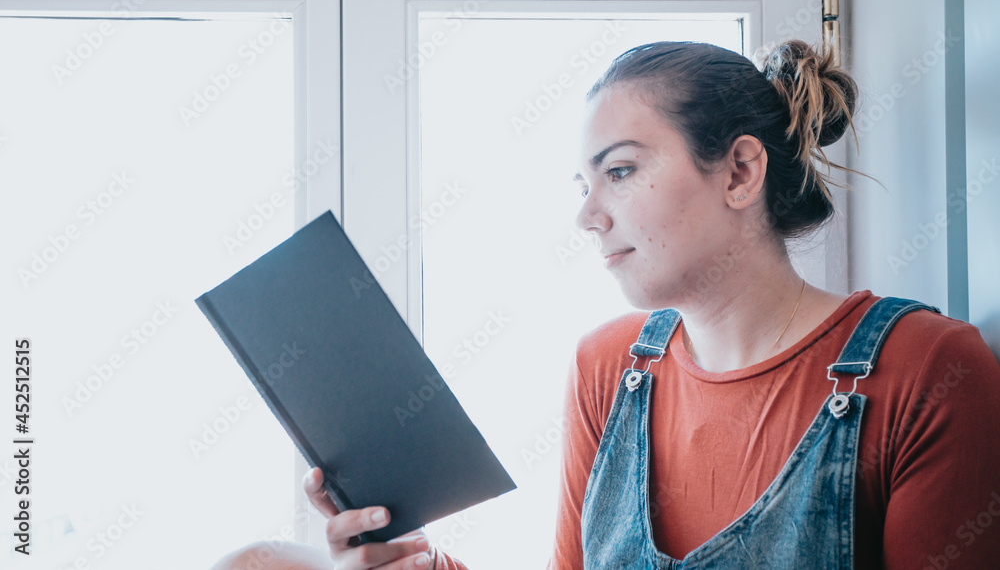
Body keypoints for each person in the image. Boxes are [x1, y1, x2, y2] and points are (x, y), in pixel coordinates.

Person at [210, 39, 1000, 570]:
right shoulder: (610, 366)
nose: (590, 214)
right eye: (583, 185)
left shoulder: (926, 368)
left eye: (619, 171)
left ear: (739, 172)